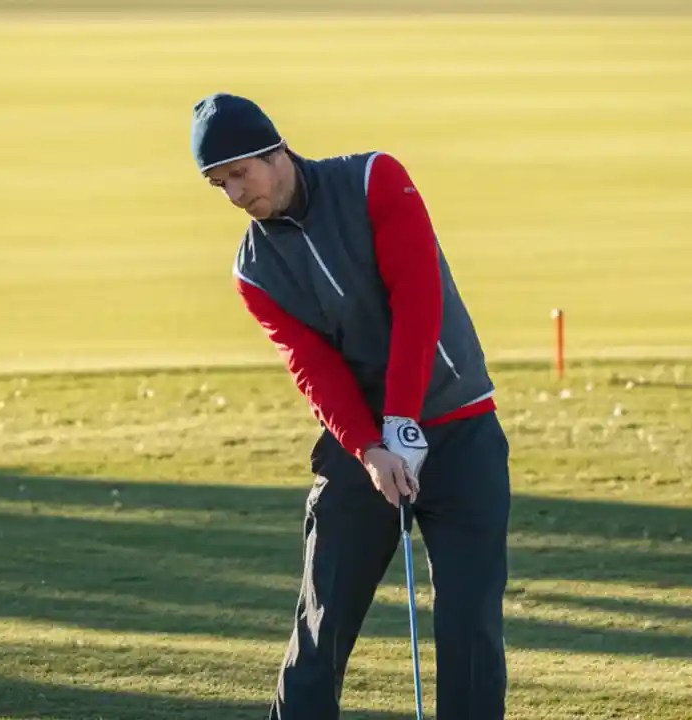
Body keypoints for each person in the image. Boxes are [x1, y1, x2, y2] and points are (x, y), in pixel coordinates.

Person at [191, 92, 510, 719]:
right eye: (218, 183)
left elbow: (417, 302)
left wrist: (402, 421)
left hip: (460, 428)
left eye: (239, 174)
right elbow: (315, 370)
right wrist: (369, 447)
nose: (233, 194)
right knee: (323, 618)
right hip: (361, 449)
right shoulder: (255, 269)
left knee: (469, 625)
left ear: (274, 150)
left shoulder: (374, 180)